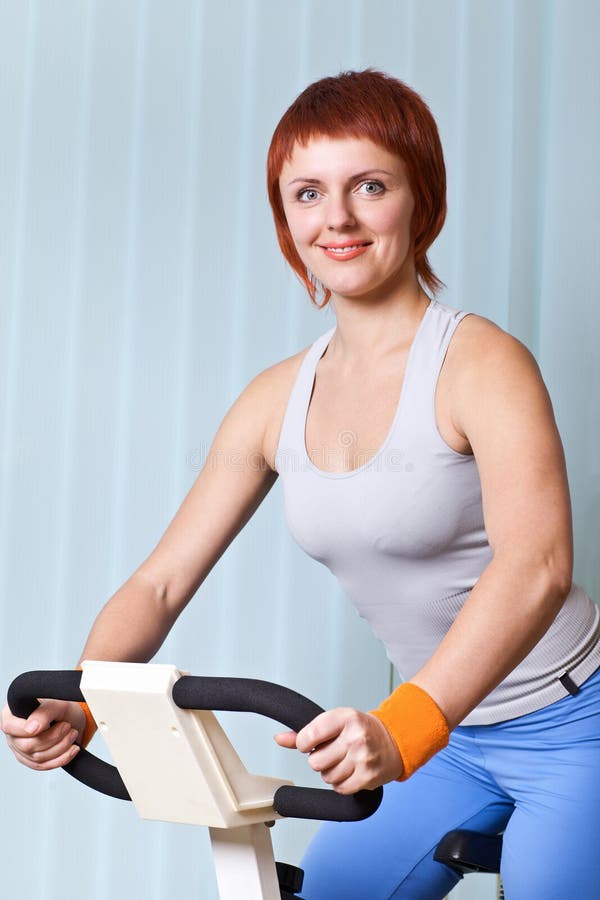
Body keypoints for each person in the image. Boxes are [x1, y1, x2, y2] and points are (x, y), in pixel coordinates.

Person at [2, 69, 600, 899]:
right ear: (285, 218)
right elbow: (162, 579)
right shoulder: (275, 398)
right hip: (453, 740)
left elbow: (537, 565)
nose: (338, 218)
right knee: (333, 890)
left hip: (574, 725)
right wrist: (88, 699)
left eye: (370, 185)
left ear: (420, 200)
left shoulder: (481, 364)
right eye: (308, 193)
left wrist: (404, 726)